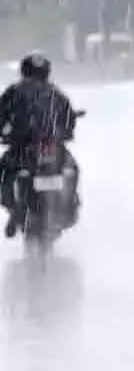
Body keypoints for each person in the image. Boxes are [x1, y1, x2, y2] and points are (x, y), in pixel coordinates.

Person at [0, 54, 78, 239]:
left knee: (4, 171)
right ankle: (66, 206)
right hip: (51, 149)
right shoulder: (56, 93)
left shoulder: (14, 92)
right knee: (72, 169)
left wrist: (7, 133)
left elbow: (1, 116)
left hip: (23, 149)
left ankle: (15, 209)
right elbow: (69, 121)